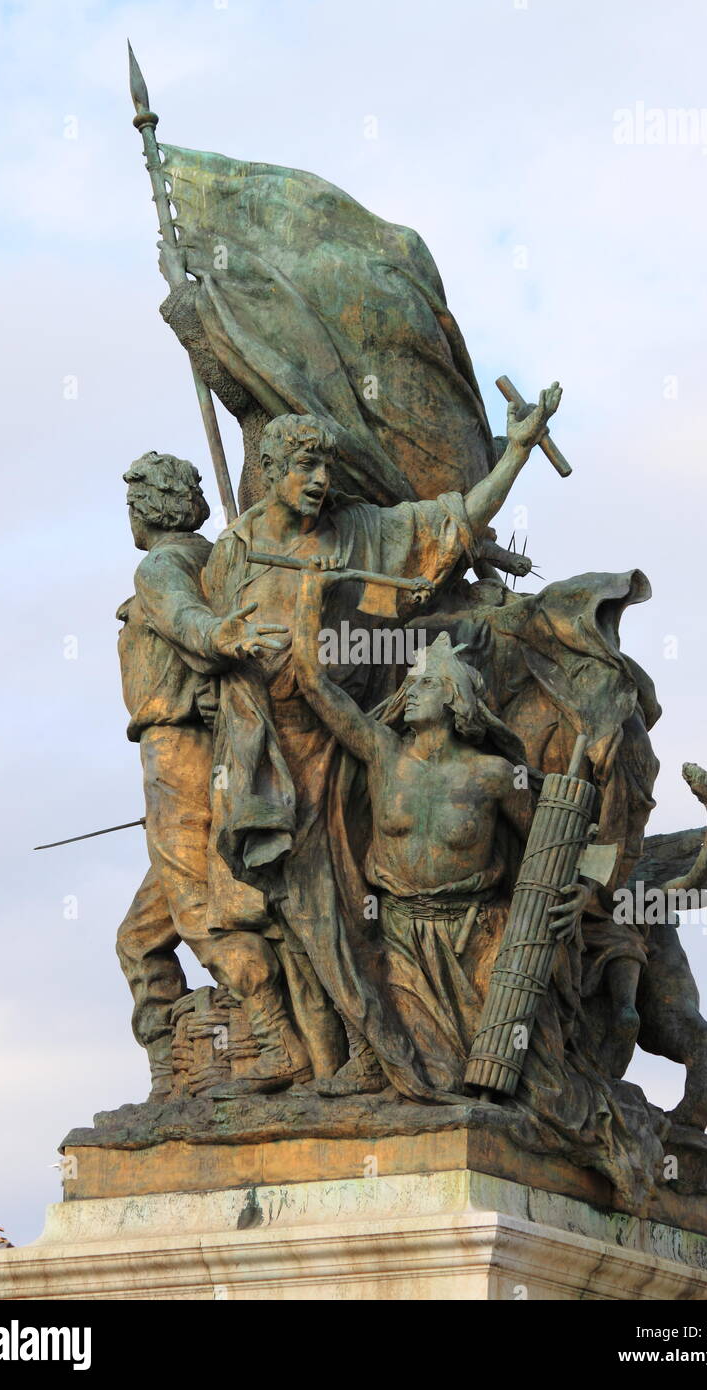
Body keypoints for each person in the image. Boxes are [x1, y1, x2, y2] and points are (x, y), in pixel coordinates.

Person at [201, 388, 563, 1098]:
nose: (319, 482)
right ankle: (324, 1049)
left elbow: (448, 523)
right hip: (257, 751)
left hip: (345, 743)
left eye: (325, 469)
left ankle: (378, 1053)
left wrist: (517, 451)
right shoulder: (234, 552)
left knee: (339, 902)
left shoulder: (358, 532)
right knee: (283, 910)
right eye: (305, 468)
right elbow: (205, 642)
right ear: (271, 469)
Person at [293, 571, 589, 1092]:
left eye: (424, 683)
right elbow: (314, 684)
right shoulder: (383, 753)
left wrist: (585, 892)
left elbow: (556, 845)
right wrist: (308, 594)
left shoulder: (493, 775)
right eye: (408, 683)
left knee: (521, 1080)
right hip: (400, 937)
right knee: (437, 1080)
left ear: (454, 699)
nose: (409, 693)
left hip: (478, 936)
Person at [115, 450, 311, 1099]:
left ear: (147, 508)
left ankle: (277, 1039)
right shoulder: (220, 555)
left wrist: (219, 635)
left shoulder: (165, 564)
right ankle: (175, 1070)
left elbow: (183, 619)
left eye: (133, 502)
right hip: (202, 751)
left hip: (178, 753)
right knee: (141, 936)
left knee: (205, 907)